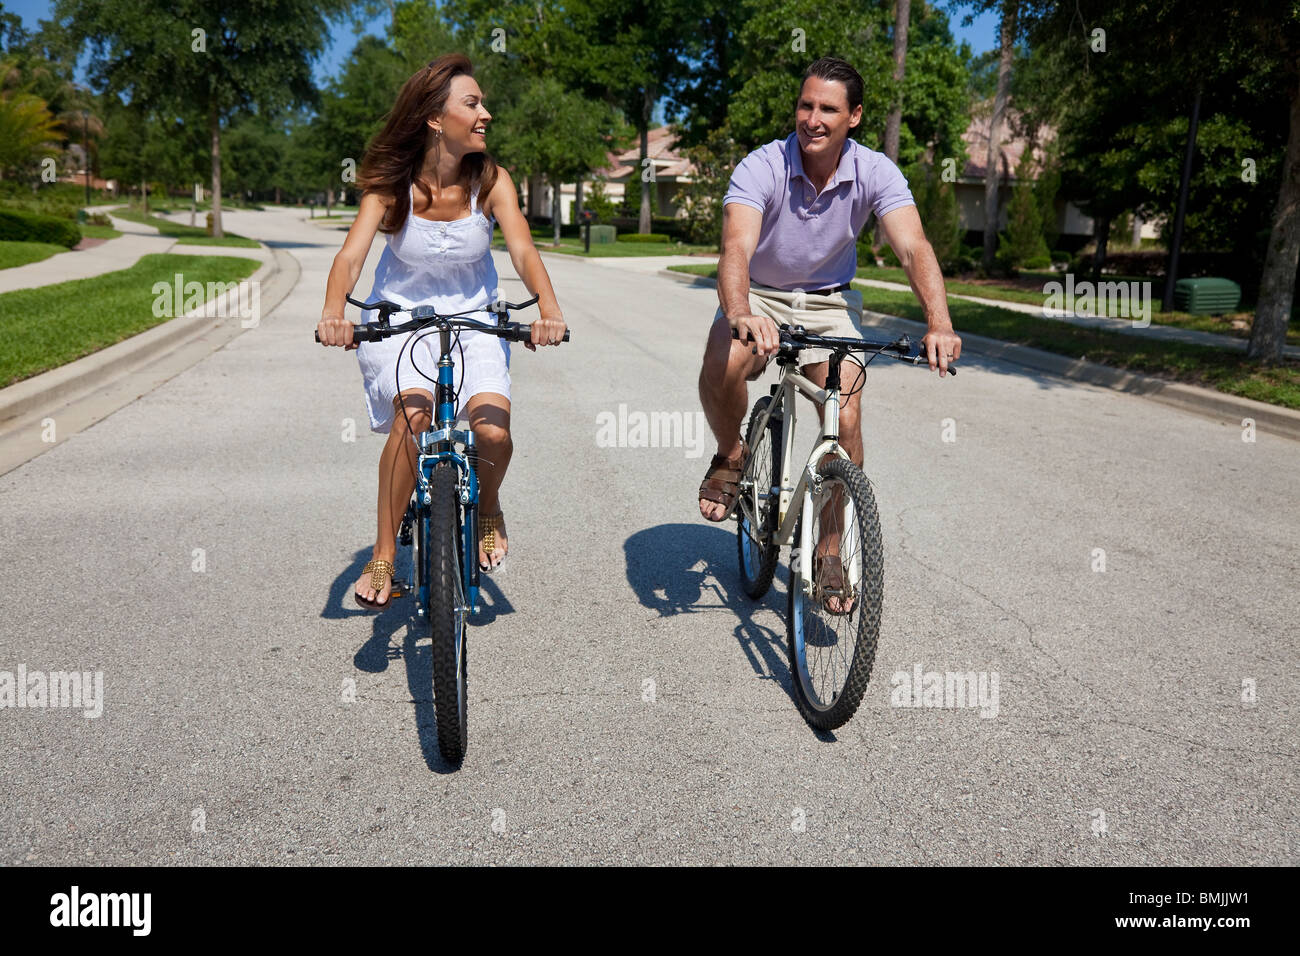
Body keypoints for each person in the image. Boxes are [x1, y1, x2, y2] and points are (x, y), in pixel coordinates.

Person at [696, 56, 962, 611]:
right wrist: (741, 310)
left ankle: (830, 549)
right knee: (722, 365)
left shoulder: (877, 172)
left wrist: (938, 322)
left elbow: (913, 248)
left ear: (855, 117)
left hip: (827, 303)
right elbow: (736, 248)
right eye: (805, 105)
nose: (812, 119)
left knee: (844, 416)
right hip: (760, 295)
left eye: (828, 109)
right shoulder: (762, 165)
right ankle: (729, 455)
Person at [317, 54, 567, 610]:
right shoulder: (391, 184)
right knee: (415, 421)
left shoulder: (492, 180)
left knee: (494, 435)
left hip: (477, 319)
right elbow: (351, 256)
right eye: (472, 104)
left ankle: (489, 505)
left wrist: (548, 309)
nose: (486, 114)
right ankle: (384, 555)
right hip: (400, 322)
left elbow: (523, 249)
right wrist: (336, 312)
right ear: (435, 118)